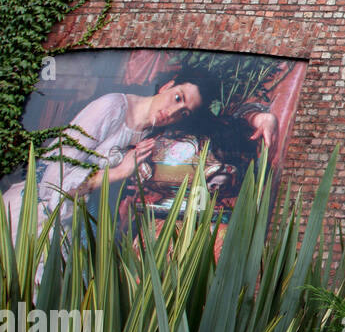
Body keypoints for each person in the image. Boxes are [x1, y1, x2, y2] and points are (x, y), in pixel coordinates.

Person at [2, 67, 220, 246]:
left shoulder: (149, 134)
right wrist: (119, 173)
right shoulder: (112, 107)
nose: (172, 112)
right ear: (167, 85)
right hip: (35, 217)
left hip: (73, 226)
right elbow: (54, 188)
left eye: (184, 112)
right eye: (177, 97)